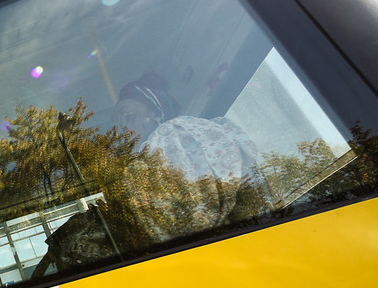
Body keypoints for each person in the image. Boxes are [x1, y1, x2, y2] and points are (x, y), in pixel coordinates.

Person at [112, 74, 266, 241]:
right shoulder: (138, 163)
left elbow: (204, 201)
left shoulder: (174, 133)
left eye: (128, 115)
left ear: (156, 113)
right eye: (118, 124)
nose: (123, 128)